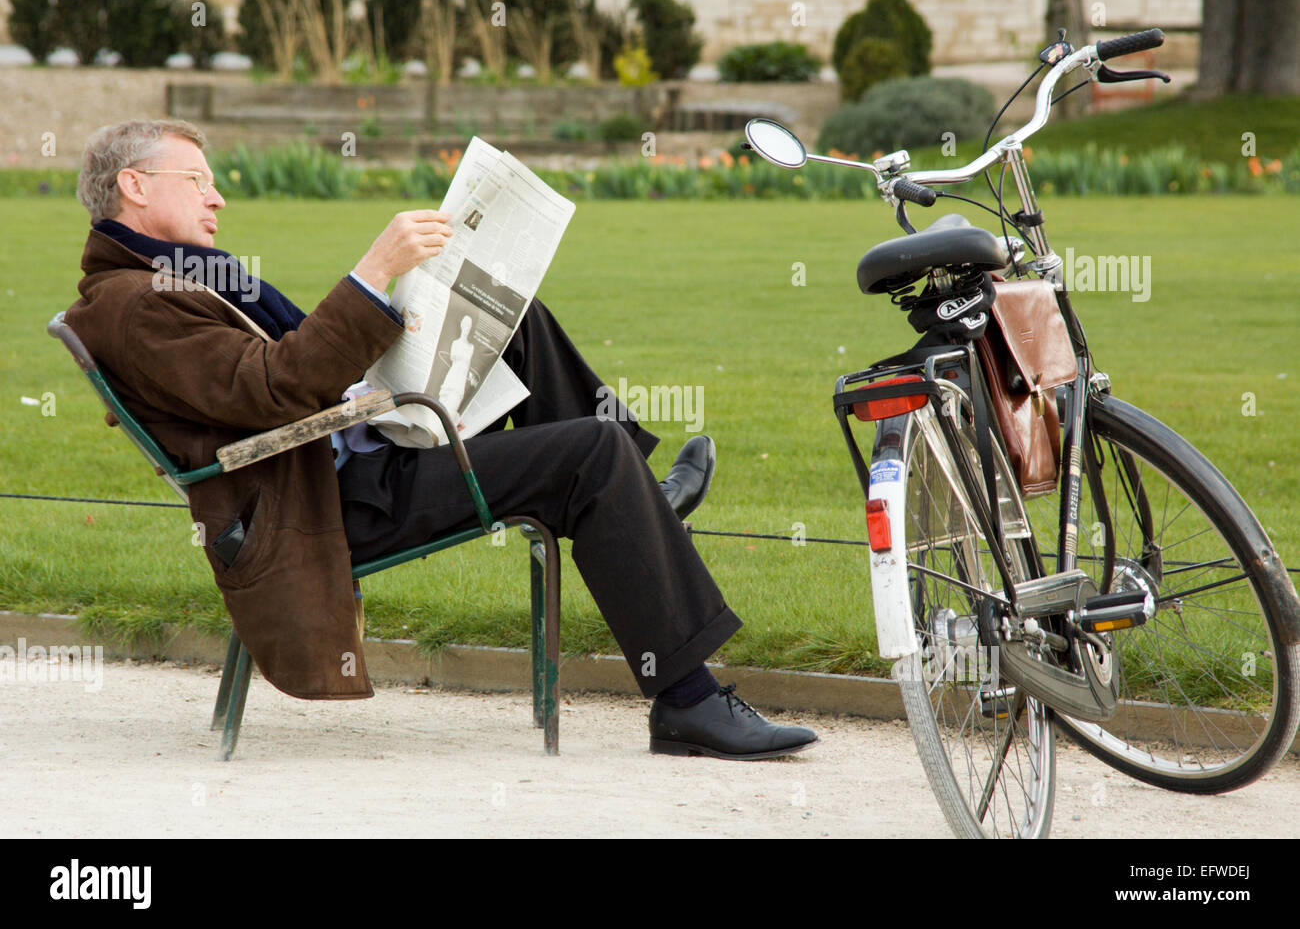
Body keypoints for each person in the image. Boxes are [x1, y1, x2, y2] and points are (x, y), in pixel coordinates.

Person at [66, 119, 818, 760]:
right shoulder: (137, 305)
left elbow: (279, 382)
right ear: (135, 186)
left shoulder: (175, 279)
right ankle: (687, 700)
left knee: (510, 314)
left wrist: (406, 315)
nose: (217, 196)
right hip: (326, 508)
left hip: (351, 452)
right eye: (197, 179)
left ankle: (640, 499)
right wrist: (374, 272)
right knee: (589, 452)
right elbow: (276, 388)